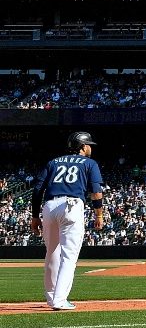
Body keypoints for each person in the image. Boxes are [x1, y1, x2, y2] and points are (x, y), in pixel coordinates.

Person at [30, 131, 104, 311]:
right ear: (82, 146)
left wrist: (34, 216)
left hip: (49, 206)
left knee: (52, 253)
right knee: (69, 256)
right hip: (71, 205)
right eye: (89, 145)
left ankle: (51, 297)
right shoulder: (89, 163)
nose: (90, 148)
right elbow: (96, 191)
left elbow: (37, 189)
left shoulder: (53, 162)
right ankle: (60, 300)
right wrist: (99, 215)